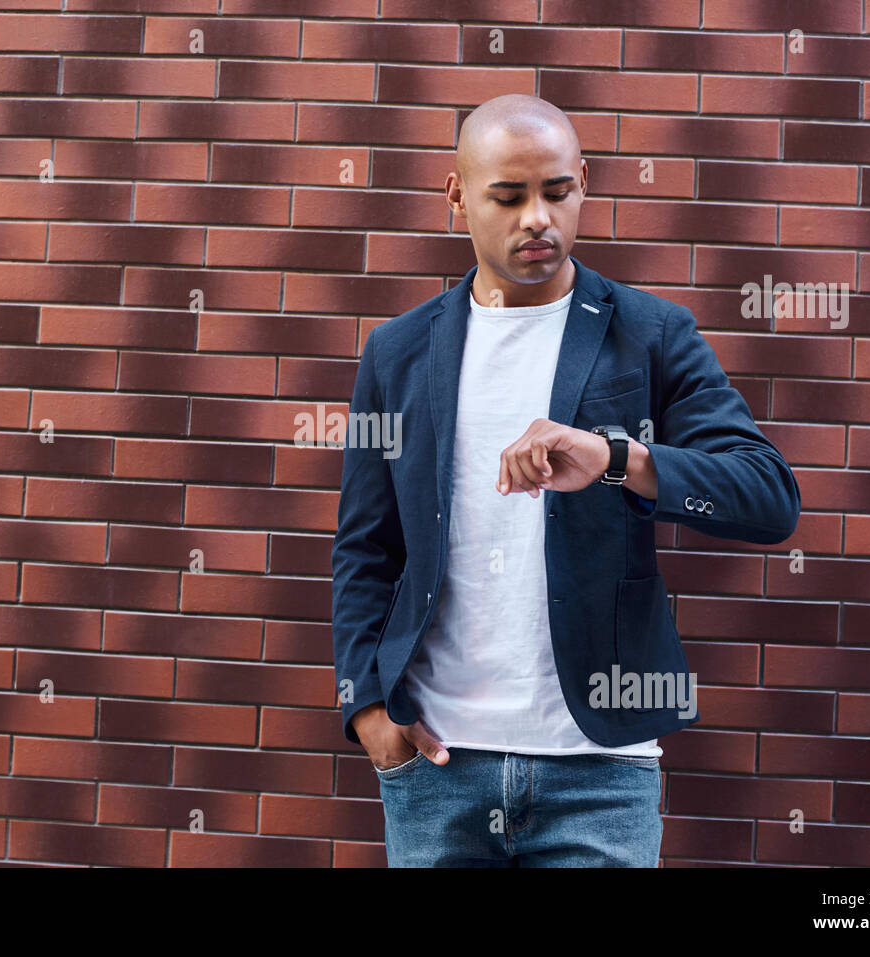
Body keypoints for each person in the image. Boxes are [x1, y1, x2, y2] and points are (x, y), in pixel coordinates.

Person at [330, 94, 802, 867]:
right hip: (437, 765)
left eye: (557, 191)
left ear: (585, 180)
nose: (537, 219)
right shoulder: (397, 352)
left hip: (600, 770)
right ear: (457, 195)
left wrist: (620, 458)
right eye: (508, 197)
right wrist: (369, 711)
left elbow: (768, 496)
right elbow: (365, 549)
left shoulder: (650, 334)